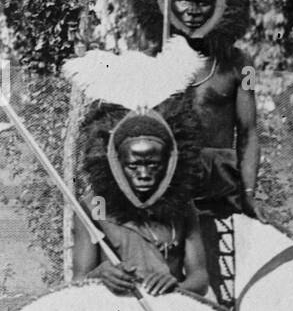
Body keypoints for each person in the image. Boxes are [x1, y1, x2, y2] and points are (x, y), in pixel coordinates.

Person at [128, 0, 260, 306]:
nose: (193, 9)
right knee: (170, 290)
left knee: (225, 286)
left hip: (221, 193)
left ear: (215, 5)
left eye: (202, 1)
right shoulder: (153, 62)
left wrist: (247, 192)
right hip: (170, 198)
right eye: (185, 0)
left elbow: (249, 132)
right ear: (169, 4)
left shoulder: (238, 63)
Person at [72, 104, 208, 298]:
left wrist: (177, 288)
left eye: (153, 164)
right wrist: (100, 275)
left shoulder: (183, 208)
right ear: (116, 164)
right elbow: (78, 282)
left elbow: (200, 277)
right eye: (133, 165)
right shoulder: (96, 206)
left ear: (169, 163)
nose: (144, 175)